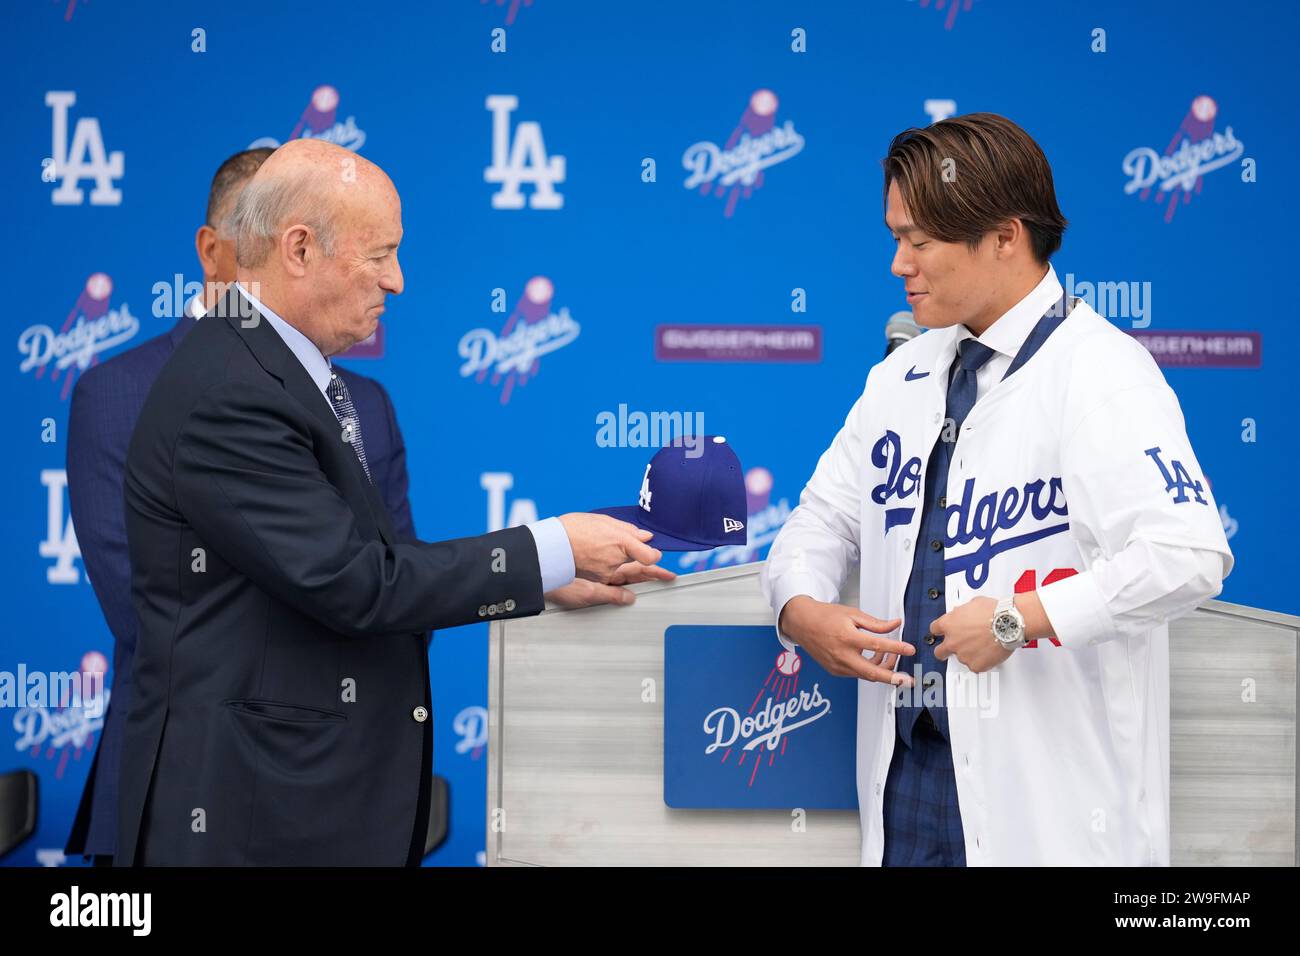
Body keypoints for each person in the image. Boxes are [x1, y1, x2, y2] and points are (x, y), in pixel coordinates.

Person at [115, 138, 666, 865]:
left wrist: (544, 577)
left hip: (292, 808)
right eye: (379, 256)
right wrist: (551, 545)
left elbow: (363, 562)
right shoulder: (231, 392)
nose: (398, 282)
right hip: (253, 821)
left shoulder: (268, 368)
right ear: (300, 249)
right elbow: (354, 584)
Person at [760, 113, 1233, 866]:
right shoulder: (900, 377)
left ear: (1007, 236)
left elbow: (1188, 555)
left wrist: (1017, 621)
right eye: (894, 238)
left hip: (1048, 809)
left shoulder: (1102, 371)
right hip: (905, 788)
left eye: (919, 241)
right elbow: (819, 520)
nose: (897, 264)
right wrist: (800, 609)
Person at [63, 148, 421, 866]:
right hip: (204, 798)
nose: (393, 281)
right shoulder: (123, 392)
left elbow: (398, 579)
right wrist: (355, 595)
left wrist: (529, 578)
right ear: (216, 248)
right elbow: (154, 609)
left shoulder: (365, 403)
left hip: (349, 792)